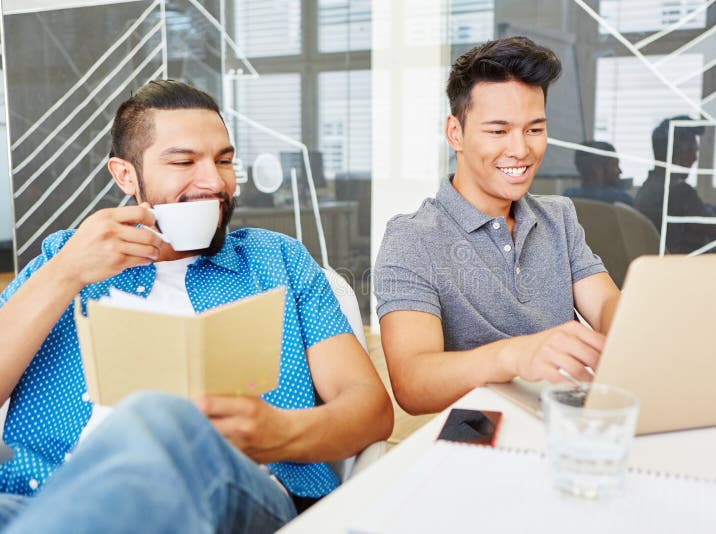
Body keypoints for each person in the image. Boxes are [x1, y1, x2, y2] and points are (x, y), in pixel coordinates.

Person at [0, 80, 393, 532]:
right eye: (184, 161)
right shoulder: (61, 260)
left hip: (233, 493)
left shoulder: (276, 261)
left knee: (160, 413)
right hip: (39, 497)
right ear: (126, 175)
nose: (215, 181)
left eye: (224, 160)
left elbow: (371, 410)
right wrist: (65, 275)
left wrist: (277, 434)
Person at [373, 37, 620, 416]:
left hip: (570, 416)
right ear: (455, 132)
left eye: (534, 129)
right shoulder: (412, 238)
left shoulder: (559, 217)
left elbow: (605, 305)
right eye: (498, 131)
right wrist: (517, 355)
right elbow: (412, 381)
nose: (520, 149)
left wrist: (632, 327)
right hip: (485, 436)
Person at [634, 115, 716, 253]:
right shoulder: (678, 190)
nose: (695, 158)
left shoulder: (650, 185)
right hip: (684, 268)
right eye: (692, 150)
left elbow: (701, 211)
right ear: (677, 152)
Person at [564, 141, 633, 206]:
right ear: (597, 169)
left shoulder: (568, 195)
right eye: (614, 164)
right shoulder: (622, 199)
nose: (620, 171)